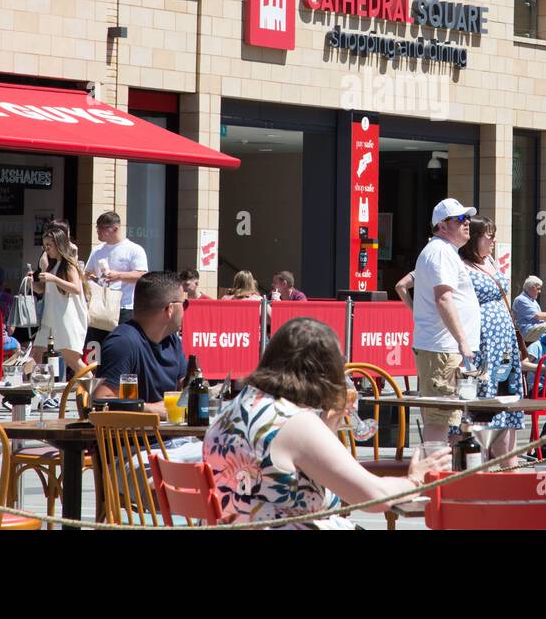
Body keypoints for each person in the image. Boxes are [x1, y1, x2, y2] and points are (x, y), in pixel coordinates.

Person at [204, 317, 451, 529]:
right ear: (321, 372)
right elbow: (374, 498)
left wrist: (329, 422)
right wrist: (415, 479)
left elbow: (312, 470)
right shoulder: (294, 424)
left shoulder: (232, 412)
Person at [411, 198, 480, 443]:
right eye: (460, 219)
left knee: (447, 421)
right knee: (438, 423)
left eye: (467, 218)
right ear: (442, 225)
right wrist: (462, 341)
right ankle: (435, 479)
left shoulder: (444, 251)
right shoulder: (440, 252)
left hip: (445, 350)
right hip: (442, 349)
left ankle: (442, 476)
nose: (467, 222)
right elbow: (443, 299)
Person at [459, 217, 524, 462]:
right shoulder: (461, 264)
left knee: (506, 395)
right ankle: (484, 457)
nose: (493, 240)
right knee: (485, 397)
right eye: (488, 236)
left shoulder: (489, 261)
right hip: (484, 341)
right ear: (474, 238)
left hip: (504, 341)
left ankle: (508, 460)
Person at [94, 271, 188, 414]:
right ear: (170, 309)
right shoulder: (122, 344)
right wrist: (152, 409)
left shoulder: (172, 341)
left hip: (170, 433)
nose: (186, 310)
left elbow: (187, 389)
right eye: (185, 303)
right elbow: (101, 401)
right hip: (135, 435)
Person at [30, 225, 88, 380]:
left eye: (49, 245)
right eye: (45, 246)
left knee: (73, 361)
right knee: (37, 355)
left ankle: (93, 390)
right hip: (50, 319)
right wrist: (32, 282)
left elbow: (76, 288)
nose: (46, 249)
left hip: (65, 319)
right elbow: (42, 290)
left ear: (59, 245)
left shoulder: (68, 265)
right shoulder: (52, 265)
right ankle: (43, 392)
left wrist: (54, 279)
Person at [85, 211, 148, 335]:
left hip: (124, 307)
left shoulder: (134, 249)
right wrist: (91, 280)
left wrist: (118, 276)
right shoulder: (97, 250)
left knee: (121, 344)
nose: (98, 232)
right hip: (100, 306)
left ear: (115, 228)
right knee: (97, 346)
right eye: (97, 228)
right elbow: (87, 273)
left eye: (102, 228)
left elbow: (142, 276)